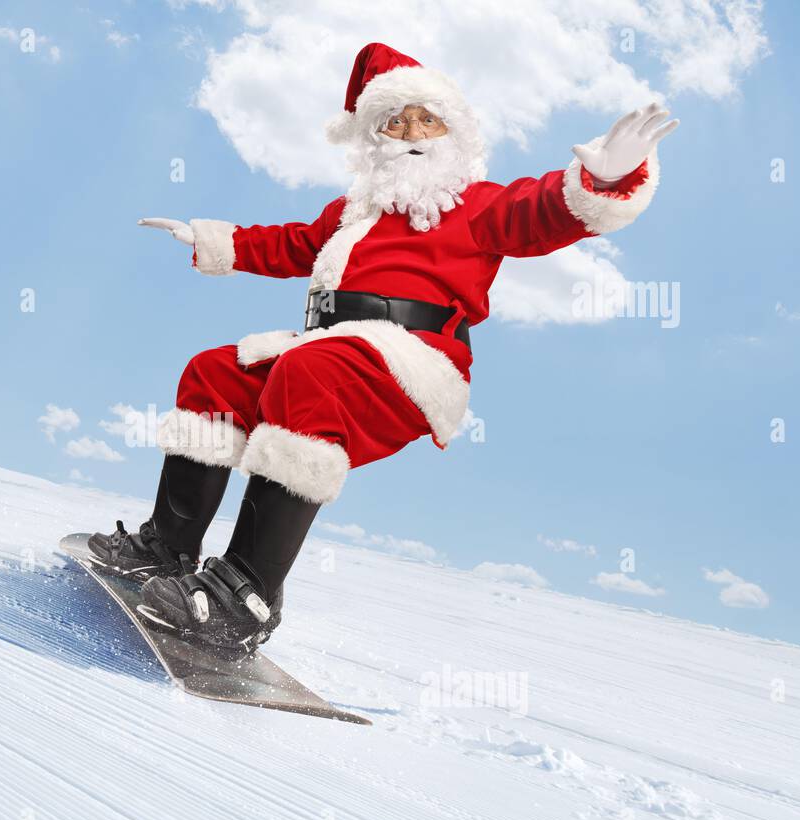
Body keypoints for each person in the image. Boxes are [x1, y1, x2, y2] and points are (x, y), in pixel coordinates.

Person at [89, 42, 678, 655]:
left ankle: (247, 594)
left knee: (310, 371)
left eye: (428, 119)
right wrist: (217, 240)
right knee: (217, 371)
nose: (411, 133)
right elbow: (293, 244)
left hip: (410, 363)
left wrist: (606, 178)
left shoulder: (478, 205)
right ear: (373, 138)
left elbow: (545, 211)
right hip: (329, 349)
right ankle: (167, 547)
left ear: (456, 133)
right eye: (394, 122)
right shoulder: (351, 214)